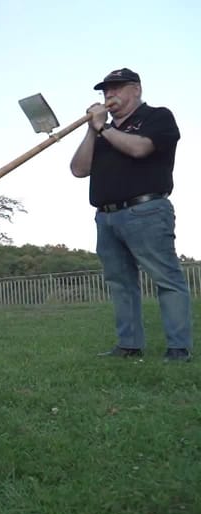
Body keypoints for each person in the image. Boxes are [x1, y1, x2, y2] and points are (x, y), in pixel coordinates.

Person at [69, 67, 192, 361]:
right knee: (120, 283)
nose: (109, 95)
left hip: (146, 211)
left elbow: (140, 149)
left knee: (166, 279)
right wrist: (91, 128)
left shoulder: (157, 117)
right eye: (105, 90)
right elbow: (78, 169)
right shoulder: (101, 132)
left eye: (117, 88)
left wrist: (104, 128)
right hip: (106, 216)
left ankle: (178, 348)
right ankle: (129, 344)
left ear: (136, 89)